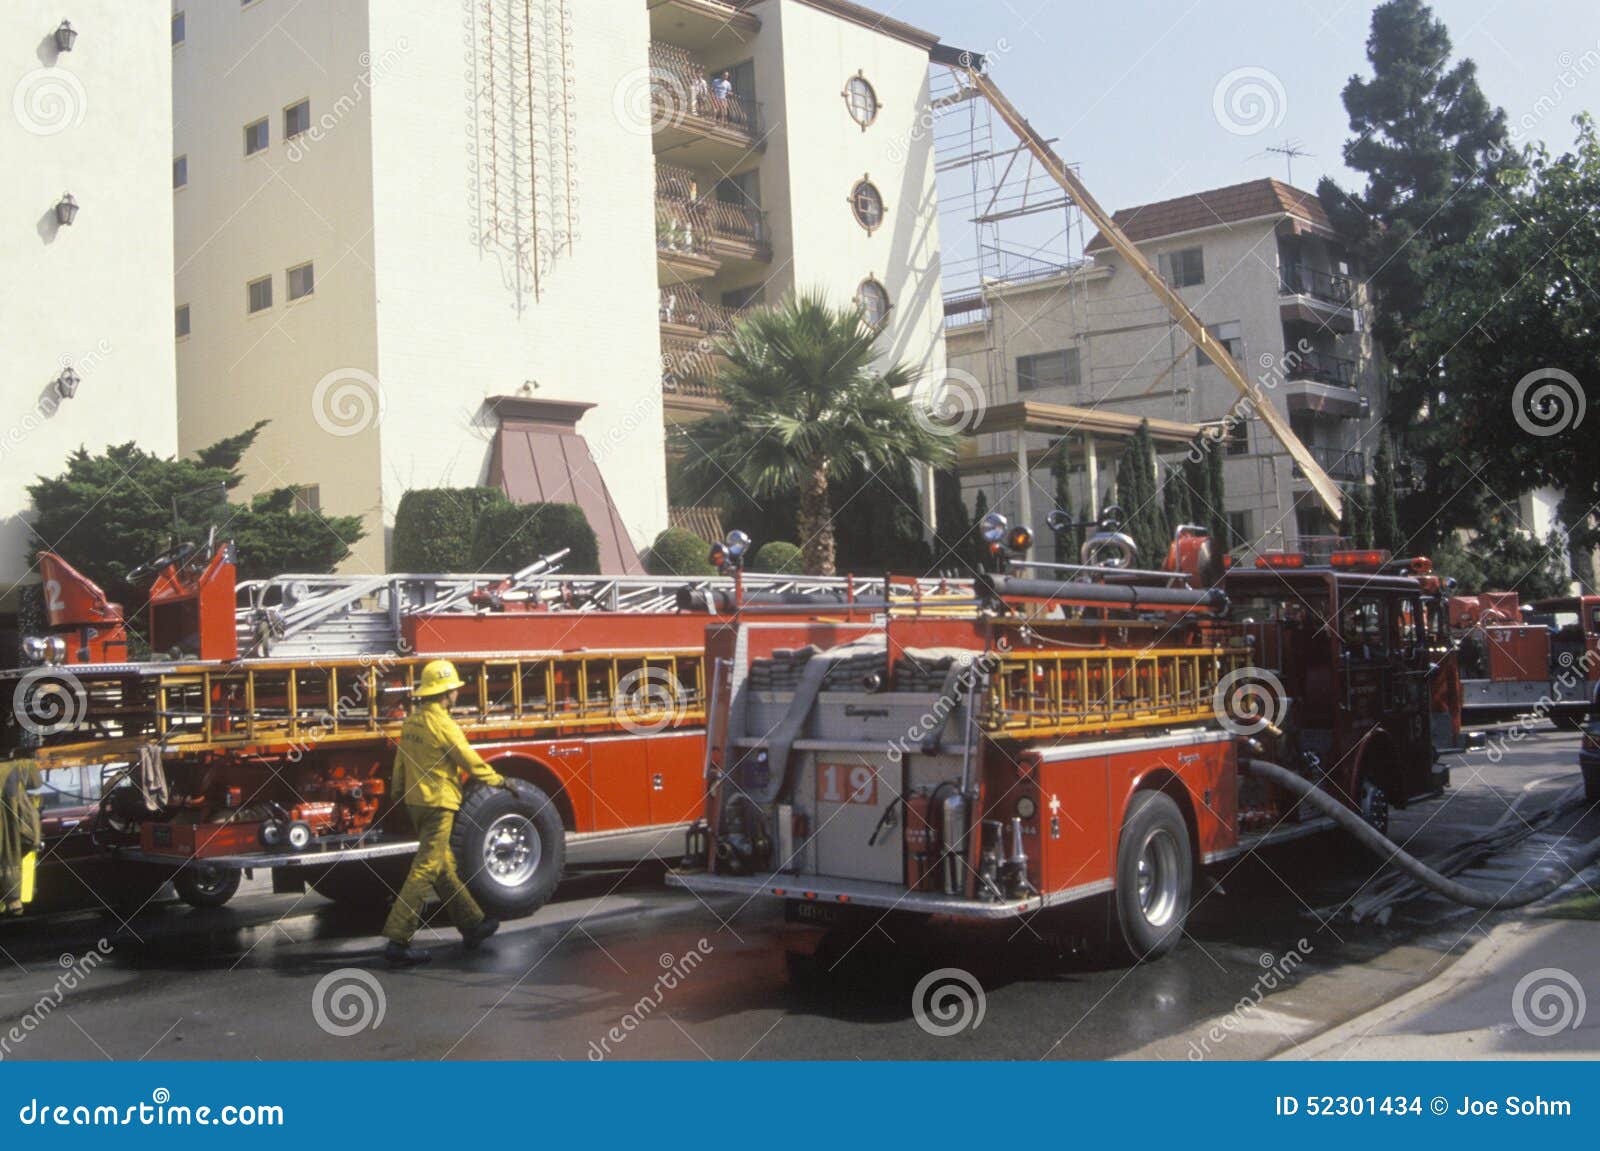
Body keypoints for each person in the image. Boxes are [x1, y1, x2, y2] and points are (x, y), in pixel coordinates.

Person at [380, 659, 514, 967]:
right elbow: (467, 758)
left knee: (443, 865)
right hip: (439, 804)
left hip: (416, 803)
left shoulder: (412, 721)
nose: (456, 694)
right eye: (453, 690)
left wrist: (398, 793)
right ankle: (398, 941)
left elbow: (400, 764)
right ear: (445, 693)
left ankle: (472, 925)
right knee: (426, 867)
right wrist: (499, 780)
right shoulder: (443, 724)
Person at [1, 751, 42, 916]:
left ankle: (11, 900)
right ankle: (12, 900)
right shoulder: (18, 767)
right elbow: (36, 783)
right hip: (13, 816)